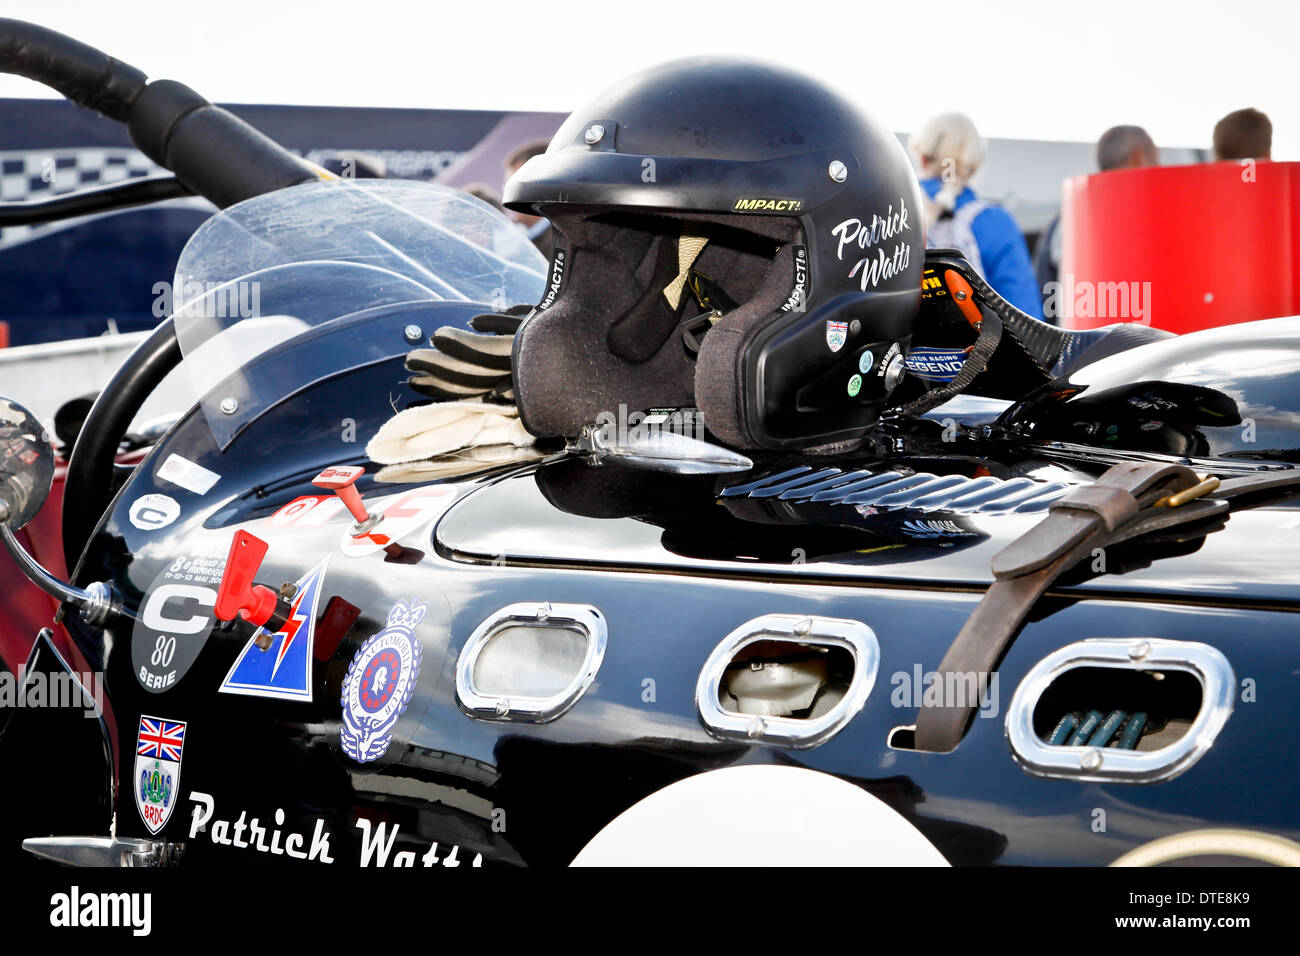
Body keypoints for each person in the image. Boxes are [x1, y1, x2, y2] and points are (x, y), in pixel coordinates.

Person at [909, 112, 1042, 318]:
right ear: (974, 165)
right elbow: (1026, 320)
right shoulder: (996, 223)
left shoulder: (893, 213)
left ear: (922, 157)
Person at [1033, 125, 1159, 309]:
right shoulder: (1144, 216)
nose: (1159, 166)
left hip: (1078, 330)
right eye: (1156, 157)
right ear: (1139, 157)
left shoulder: (1067, 219)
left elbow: (1047, 292)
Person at [503, 139, 554, 258]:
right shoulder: (528, 243)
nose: (507, 192)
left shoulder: (564, 242)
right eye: (506, 185)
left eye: (514, 183)